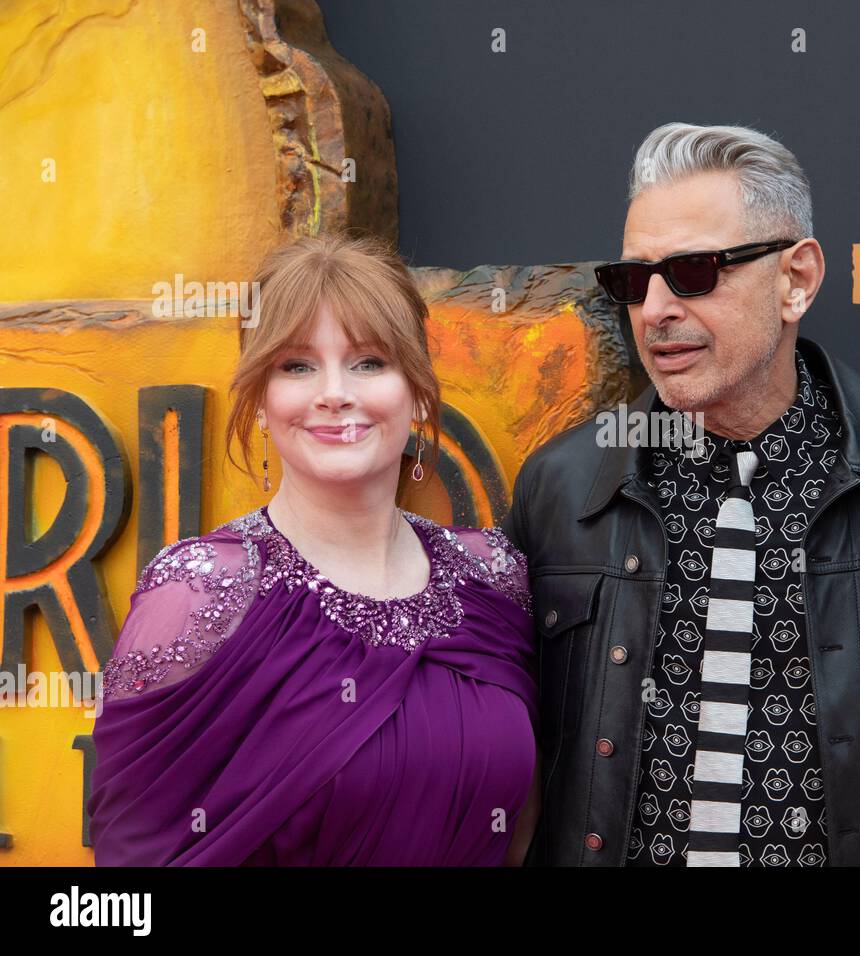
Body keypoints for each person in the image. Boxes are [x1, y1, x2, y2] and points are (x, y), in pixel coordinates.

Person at [503, 122, 860, 866]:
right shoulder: (562, 486)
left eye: (694, 272)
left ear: (797, 280)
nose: (654, 309)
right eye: (632, 281)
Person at [88, 233, 540, 866]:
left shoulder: (493, 579)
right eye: (297, 365)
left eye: (369, 361)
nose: (335, 392)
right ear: (262, 401)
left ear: (416, 390)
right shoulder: (201, 589)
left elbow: (524, 826)